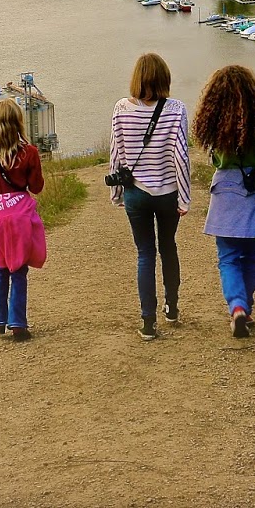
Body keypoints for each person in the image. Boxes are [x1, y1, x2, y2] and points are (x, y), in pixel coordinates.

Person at [193, 65, 255, 338]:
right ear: (253, 91)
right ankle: (245, 308)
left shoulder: (213, 119)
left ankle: (236, 307)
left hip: (224, 190)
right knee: (251, 257)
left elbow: (215, 158)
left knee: (227, 258)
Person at [109, 52, 190, 341]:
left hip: (136, 195)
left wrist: (116, 192)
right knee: (168, 246)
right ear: (164, 78)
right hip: (168, 193)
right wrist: (185, 197)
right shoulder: (176, 109)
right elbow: (180, 156)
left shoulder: (121, 109)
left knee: (145, 253)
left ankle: (148, 322)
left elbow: (117, 154)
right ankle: (172, 307)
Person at [0, 98, 45, 341]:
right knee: (18, 269)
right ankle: (17, 323)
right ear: (18, 123)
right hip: (19, 217)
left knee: (0, 267)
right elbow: (36, 187)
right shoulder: (30, 152)